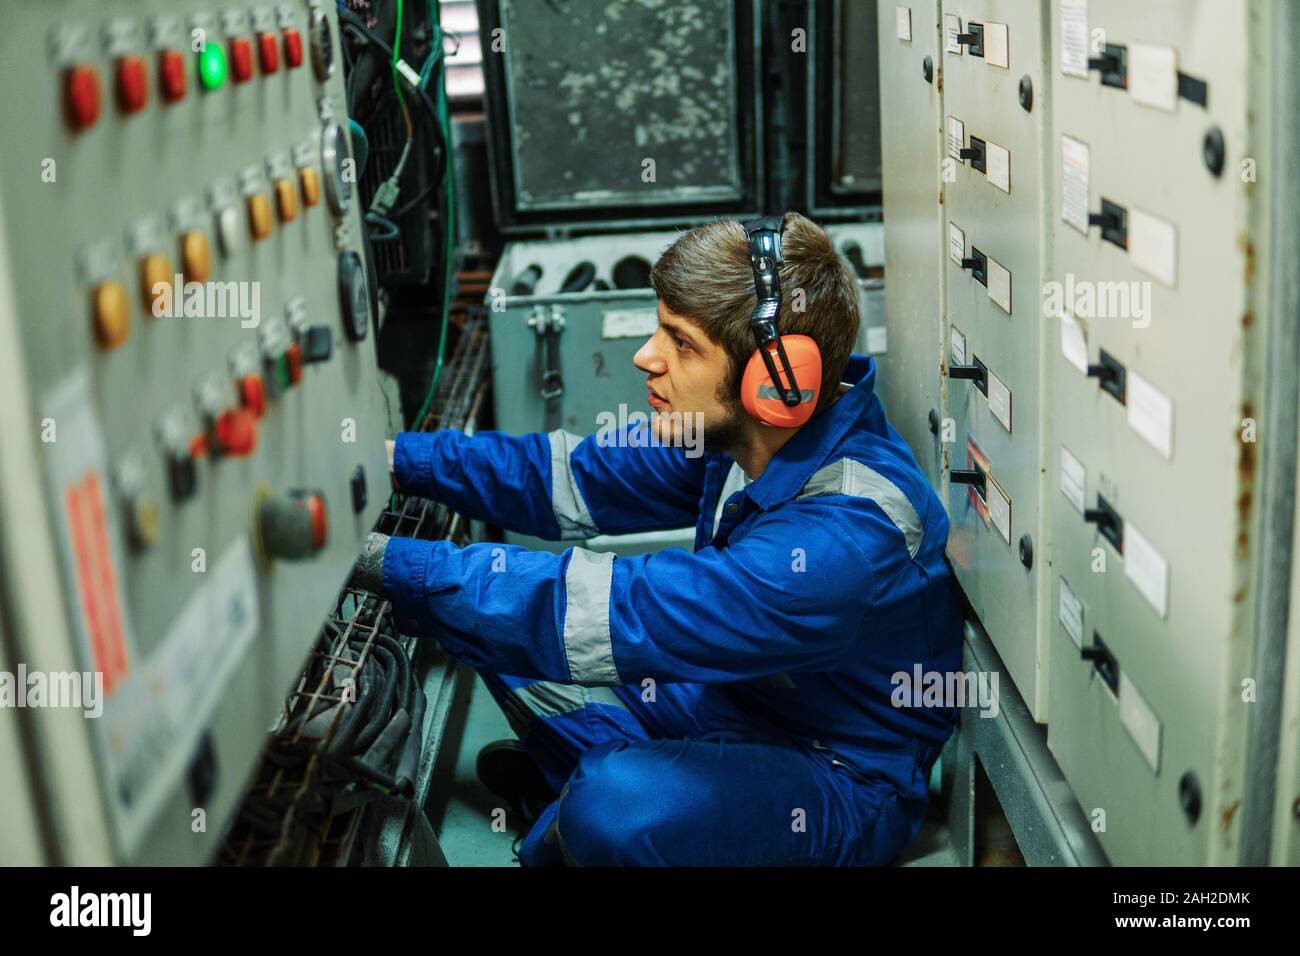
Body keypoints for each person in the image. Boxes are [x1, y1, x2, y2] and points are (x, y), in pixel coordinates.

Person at [350, 212, 961, 866]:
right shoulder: (742, 439)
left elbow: (624, 614)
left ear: (777, 380)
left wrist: (377, 563)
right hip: (728, 697)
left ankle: (577, 812)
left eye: (681, 342)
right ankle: (617, 796)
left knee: (610, 800)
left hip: (835, 775)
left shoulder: (844, 538)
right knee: (493, 617)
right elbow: (571, 479)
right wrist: (397, 459)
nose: (647, 356)